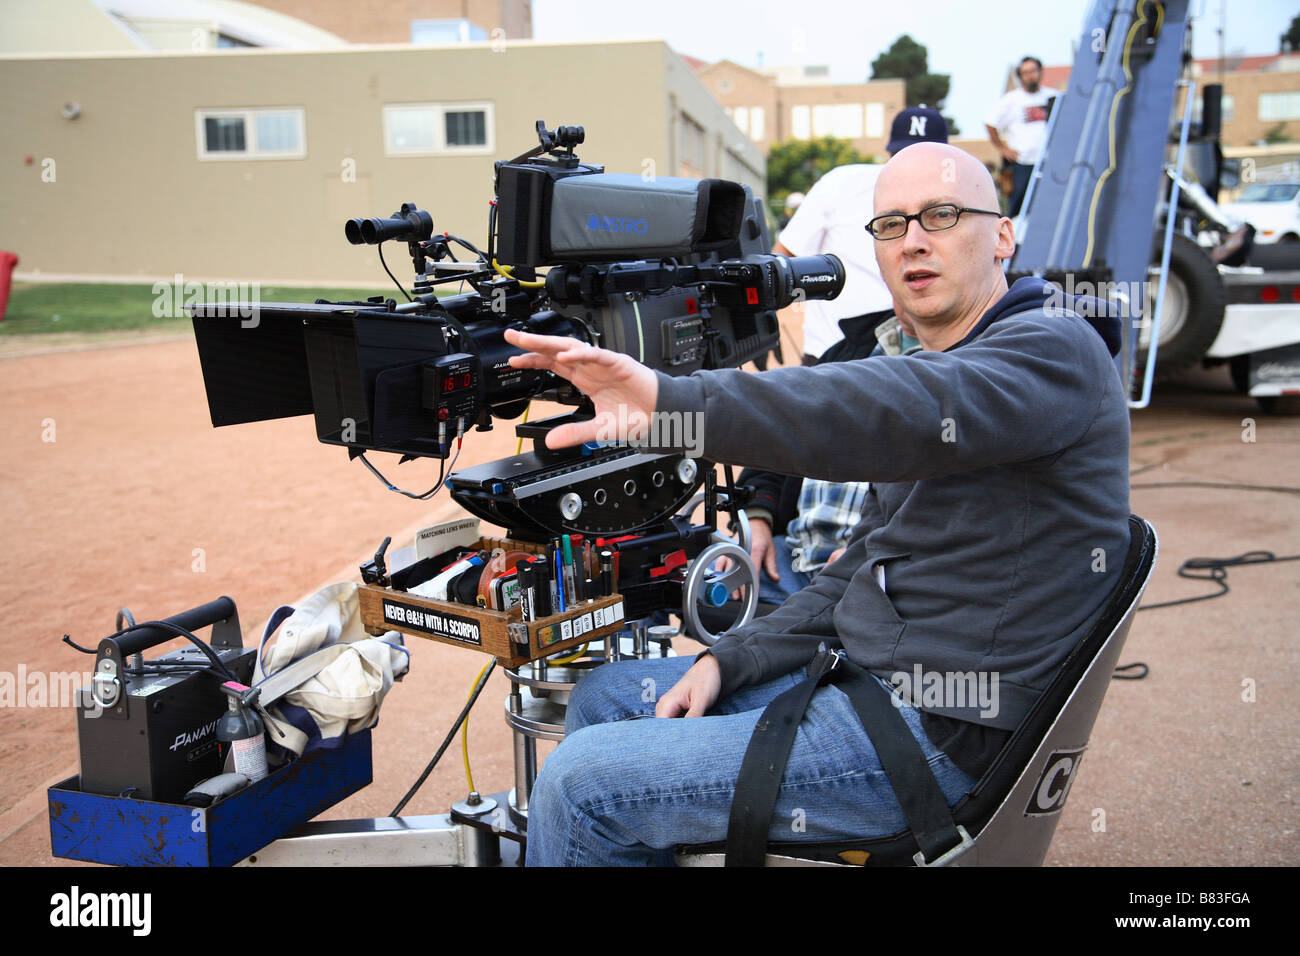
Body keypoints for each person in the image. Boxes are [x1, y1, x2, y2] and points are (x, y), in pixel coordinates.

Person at [505, 142, 1130, 866]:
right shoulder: (942, 367)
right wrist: (730, 660)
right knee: (608, 696)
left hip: (938, 731)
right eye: (891, 225)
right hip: (863, 682)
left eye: (942, 214)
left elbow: (893, 408)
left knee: (581, 786)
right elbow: (850, 573)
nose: (913, 241)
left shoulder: (1052, 349)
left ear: (1002, 235)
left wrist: (673, 400)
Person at [774, 106, 948, 364]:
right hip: (834, 353)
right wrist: (762, 319)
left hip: (923, 356)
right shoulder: (841, 183)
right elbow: (782, 258)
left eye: (925, 159)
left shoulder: (955, 202)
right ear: (889, 154)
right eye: (904, 156)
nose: (913, 167)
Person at [984, 56, 1057, 217]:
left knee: (1050, 207)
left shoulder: (1053, 97)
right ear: (1020, 76)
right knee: (1017, 210)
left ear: (1039, 72)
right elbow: (990, 123)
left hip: (1048, 161)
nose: (1030, 75)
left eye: (1033, 71)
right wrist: (1003, 149)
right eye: (1025, 73)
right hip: (1022, 163)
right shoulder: (1011, 100)